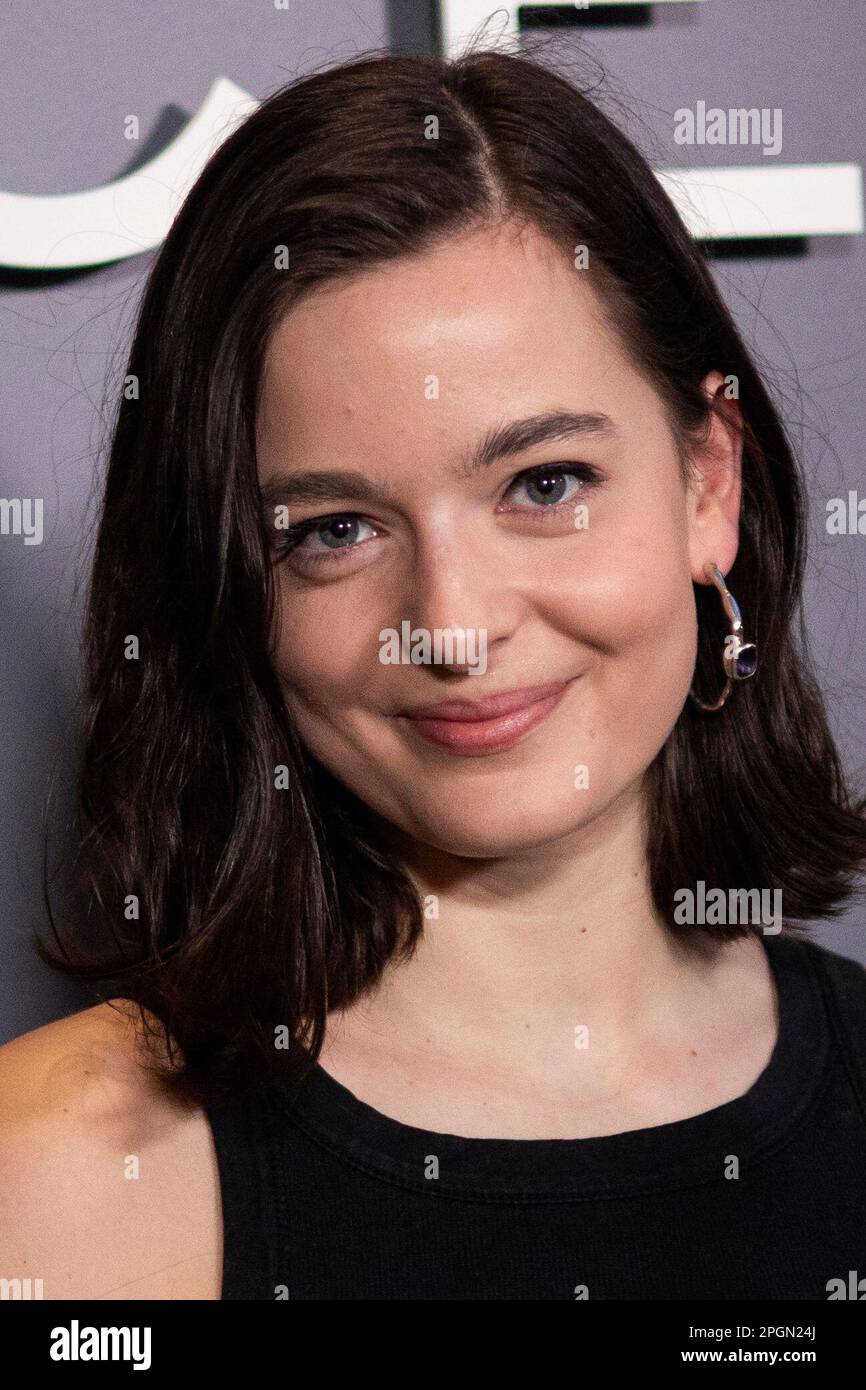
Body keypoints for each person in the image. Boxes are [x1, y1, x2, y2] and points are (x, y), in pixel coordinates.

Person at [2, 42, 866, 1301]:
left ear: (705, 480)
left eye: (543, 484)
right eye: (333, 532)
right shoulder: (60, 1180)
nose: (450, 629)